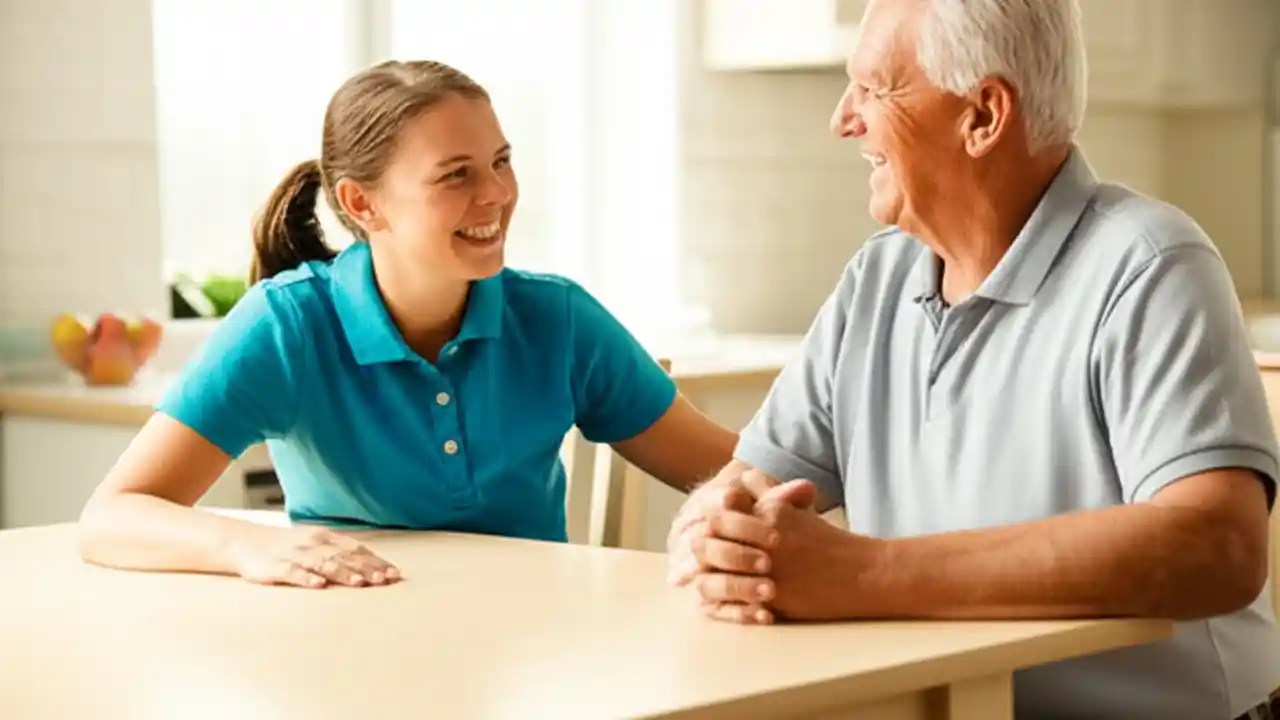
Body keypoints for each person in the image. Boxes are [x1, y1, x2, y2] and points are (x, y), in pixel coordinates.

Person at [664, 0, 1280, 718]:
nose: (843, 118)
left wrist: (866, 575)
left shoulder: (1148, 264)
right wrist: (721, 534)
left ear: (984, 115)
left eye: (873, 87)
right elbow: (744, 491)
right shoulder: (877, 280)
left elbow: (1220, 546)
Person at [78, 60, 735, 591]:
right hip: (349, 642)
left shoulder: (557, 318)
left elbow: (739, 471)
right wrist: (250, 543)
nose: (498, 194)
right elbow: (112, 516)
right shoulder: (288, 324)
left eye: (501, 162)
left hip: (530, 644)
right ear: (363, 204)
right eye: (457, 175)